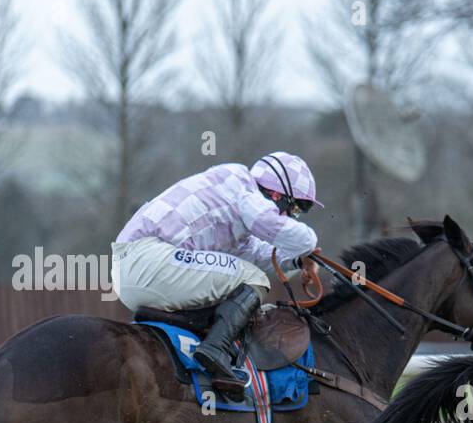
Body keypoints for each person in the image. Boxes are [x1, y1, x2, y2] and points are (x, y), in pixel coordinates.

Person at [111, 152, 322, 398]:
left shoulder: (237, 211)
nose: (291, 216)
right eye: (295, 208)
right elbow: (276, 227)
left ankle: (203, 344)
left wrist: (298, 260)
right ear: (277, 195)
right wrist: (310, 244)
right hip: (148, 259)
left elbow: (256, 253)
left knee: (241, 274)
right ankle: (215, 349)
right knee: (253, 279)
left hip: (138, 268)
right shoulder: (242, 185)